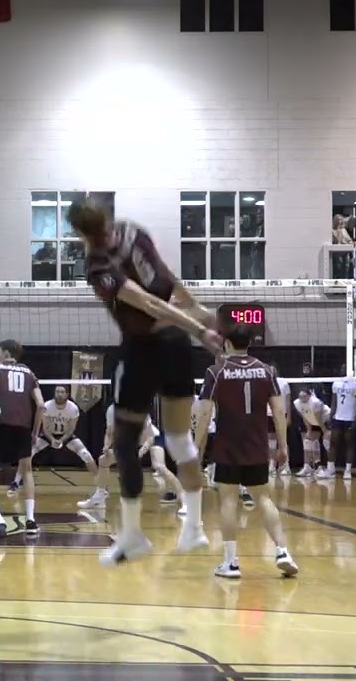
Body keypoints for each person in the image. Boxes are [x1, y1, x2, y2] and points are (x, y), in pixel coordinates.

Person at [68, 200, 221, 565]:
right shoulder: (132, 229)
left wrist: (200, 326)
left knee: (123, 443)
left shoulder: (97, 263)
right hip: (177, 346)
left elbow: (150, 304)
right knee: (181, 440)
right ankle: (194, 528)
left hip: (144, 350)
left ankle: (133, 537)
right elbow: (169, 280)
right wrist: (198, 313)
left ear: (79, 233)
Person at [194, 324, 299, 579]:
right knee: (264, 499)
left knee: (229, 500)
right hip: (257, 446)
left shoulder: (215, 371)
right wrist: (283, 446)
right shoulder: (266, 371)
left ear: (226, 343)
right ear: (249, 343)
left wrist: (197, 451)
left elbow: (204, 413)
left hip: (227, 446)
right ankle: (283, 551)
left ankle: (231, 563)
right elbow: (279, 412)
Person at [0, 340, 44, 533]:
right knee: (27, 471)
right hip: (23, 428)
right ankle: (31, 520)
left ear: (5, 353)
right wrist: (35, 432)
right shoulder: (30, 372)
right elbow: (42, 405)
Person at [100, 404, 187, 514]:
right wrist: (106, 446)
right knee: (103, 460)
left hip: (152, 438)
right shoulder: (112, 410)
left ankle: (185, 500)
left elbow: (150, 438)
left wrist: (140, 453)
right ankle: (99, 496)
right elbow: (109, 433)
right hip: (132, 442)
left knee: (159, 466)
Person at [32, 386, 102, 503]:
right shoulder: (47, 406)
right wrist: (52, 439)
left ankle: (100, 488)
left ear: (67, 394)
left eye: (62, 392)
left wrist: (62, 440)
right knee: (28, 453)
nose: (59, 394)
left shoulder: (73, 408)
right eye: (57, 392)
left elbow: (71, 429)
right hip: (48, 435)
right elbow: (45, 427)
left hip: (66, 436)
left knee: (86, 455)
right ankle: (17, 482)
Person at [328, 367, 356, 480]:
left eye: (346, 368)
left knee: (349, 444)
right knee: (333, 443)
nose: (343, 370)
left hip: (350, 419)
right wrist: (331, 415)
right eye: (342, 368)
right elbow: (334, 401)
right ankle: (330, 468)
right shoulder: (336, 383)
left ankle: (348, 470)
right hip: (337, 417)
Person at [292, 389, 331, 477]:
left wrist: (324, 430)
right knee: (308, 441)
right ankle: (308, 466)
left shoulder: (315, 402)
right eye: (300, 396)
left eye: (304, 396)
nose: (302, 398)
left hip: (325, 419)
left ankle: (328, 469)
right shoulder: (297, 403)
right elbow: (304, 416)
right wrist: (309, 430)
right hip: (313, 420)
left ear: (309, 396)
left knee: (326, 443)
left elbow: (318, 418)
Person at [267, 366, 291, 476]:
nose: (273, 371)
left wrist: (289, 416)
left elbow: (288, 400)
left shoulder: (284, 383)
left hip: (281, 414)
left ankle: (285, 465)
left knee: (283, 440)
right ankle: (272, 464)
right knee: (271, 441)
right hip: (268, 414)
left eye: (274, 369)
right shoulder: (265, 382)